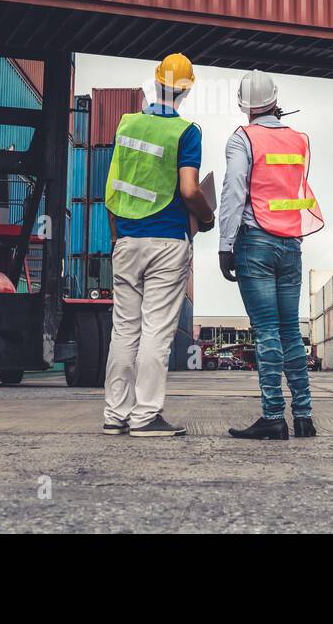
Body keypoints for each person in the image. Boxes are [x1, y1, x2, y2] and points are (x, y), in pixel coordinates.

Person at [101, 53, 215, 438]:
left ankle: (115, 415)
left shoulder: (126, 124)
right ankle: (146, 416)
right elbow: (188, 189)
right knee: (156, 332)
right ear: (186, 88)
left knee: (124, 331)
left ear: (155, 82)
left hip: (127, 239)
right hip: (166, 241)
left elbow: (112, 187)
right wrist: (208, 216)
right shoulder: (186, 132)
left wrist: (117, 235)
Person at [219, 70, 323, 440]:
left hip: (256, 243)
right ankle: (305, 417)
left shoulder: (242, 139)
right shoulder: (298, 140)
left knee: (266, 333)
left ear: (243, 106)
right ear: (275, 100)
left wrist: (225, 244)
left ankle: (273, 417)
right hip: (291, 245)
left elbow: (233, 192)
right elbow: (293, 192)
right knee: (290, 331)